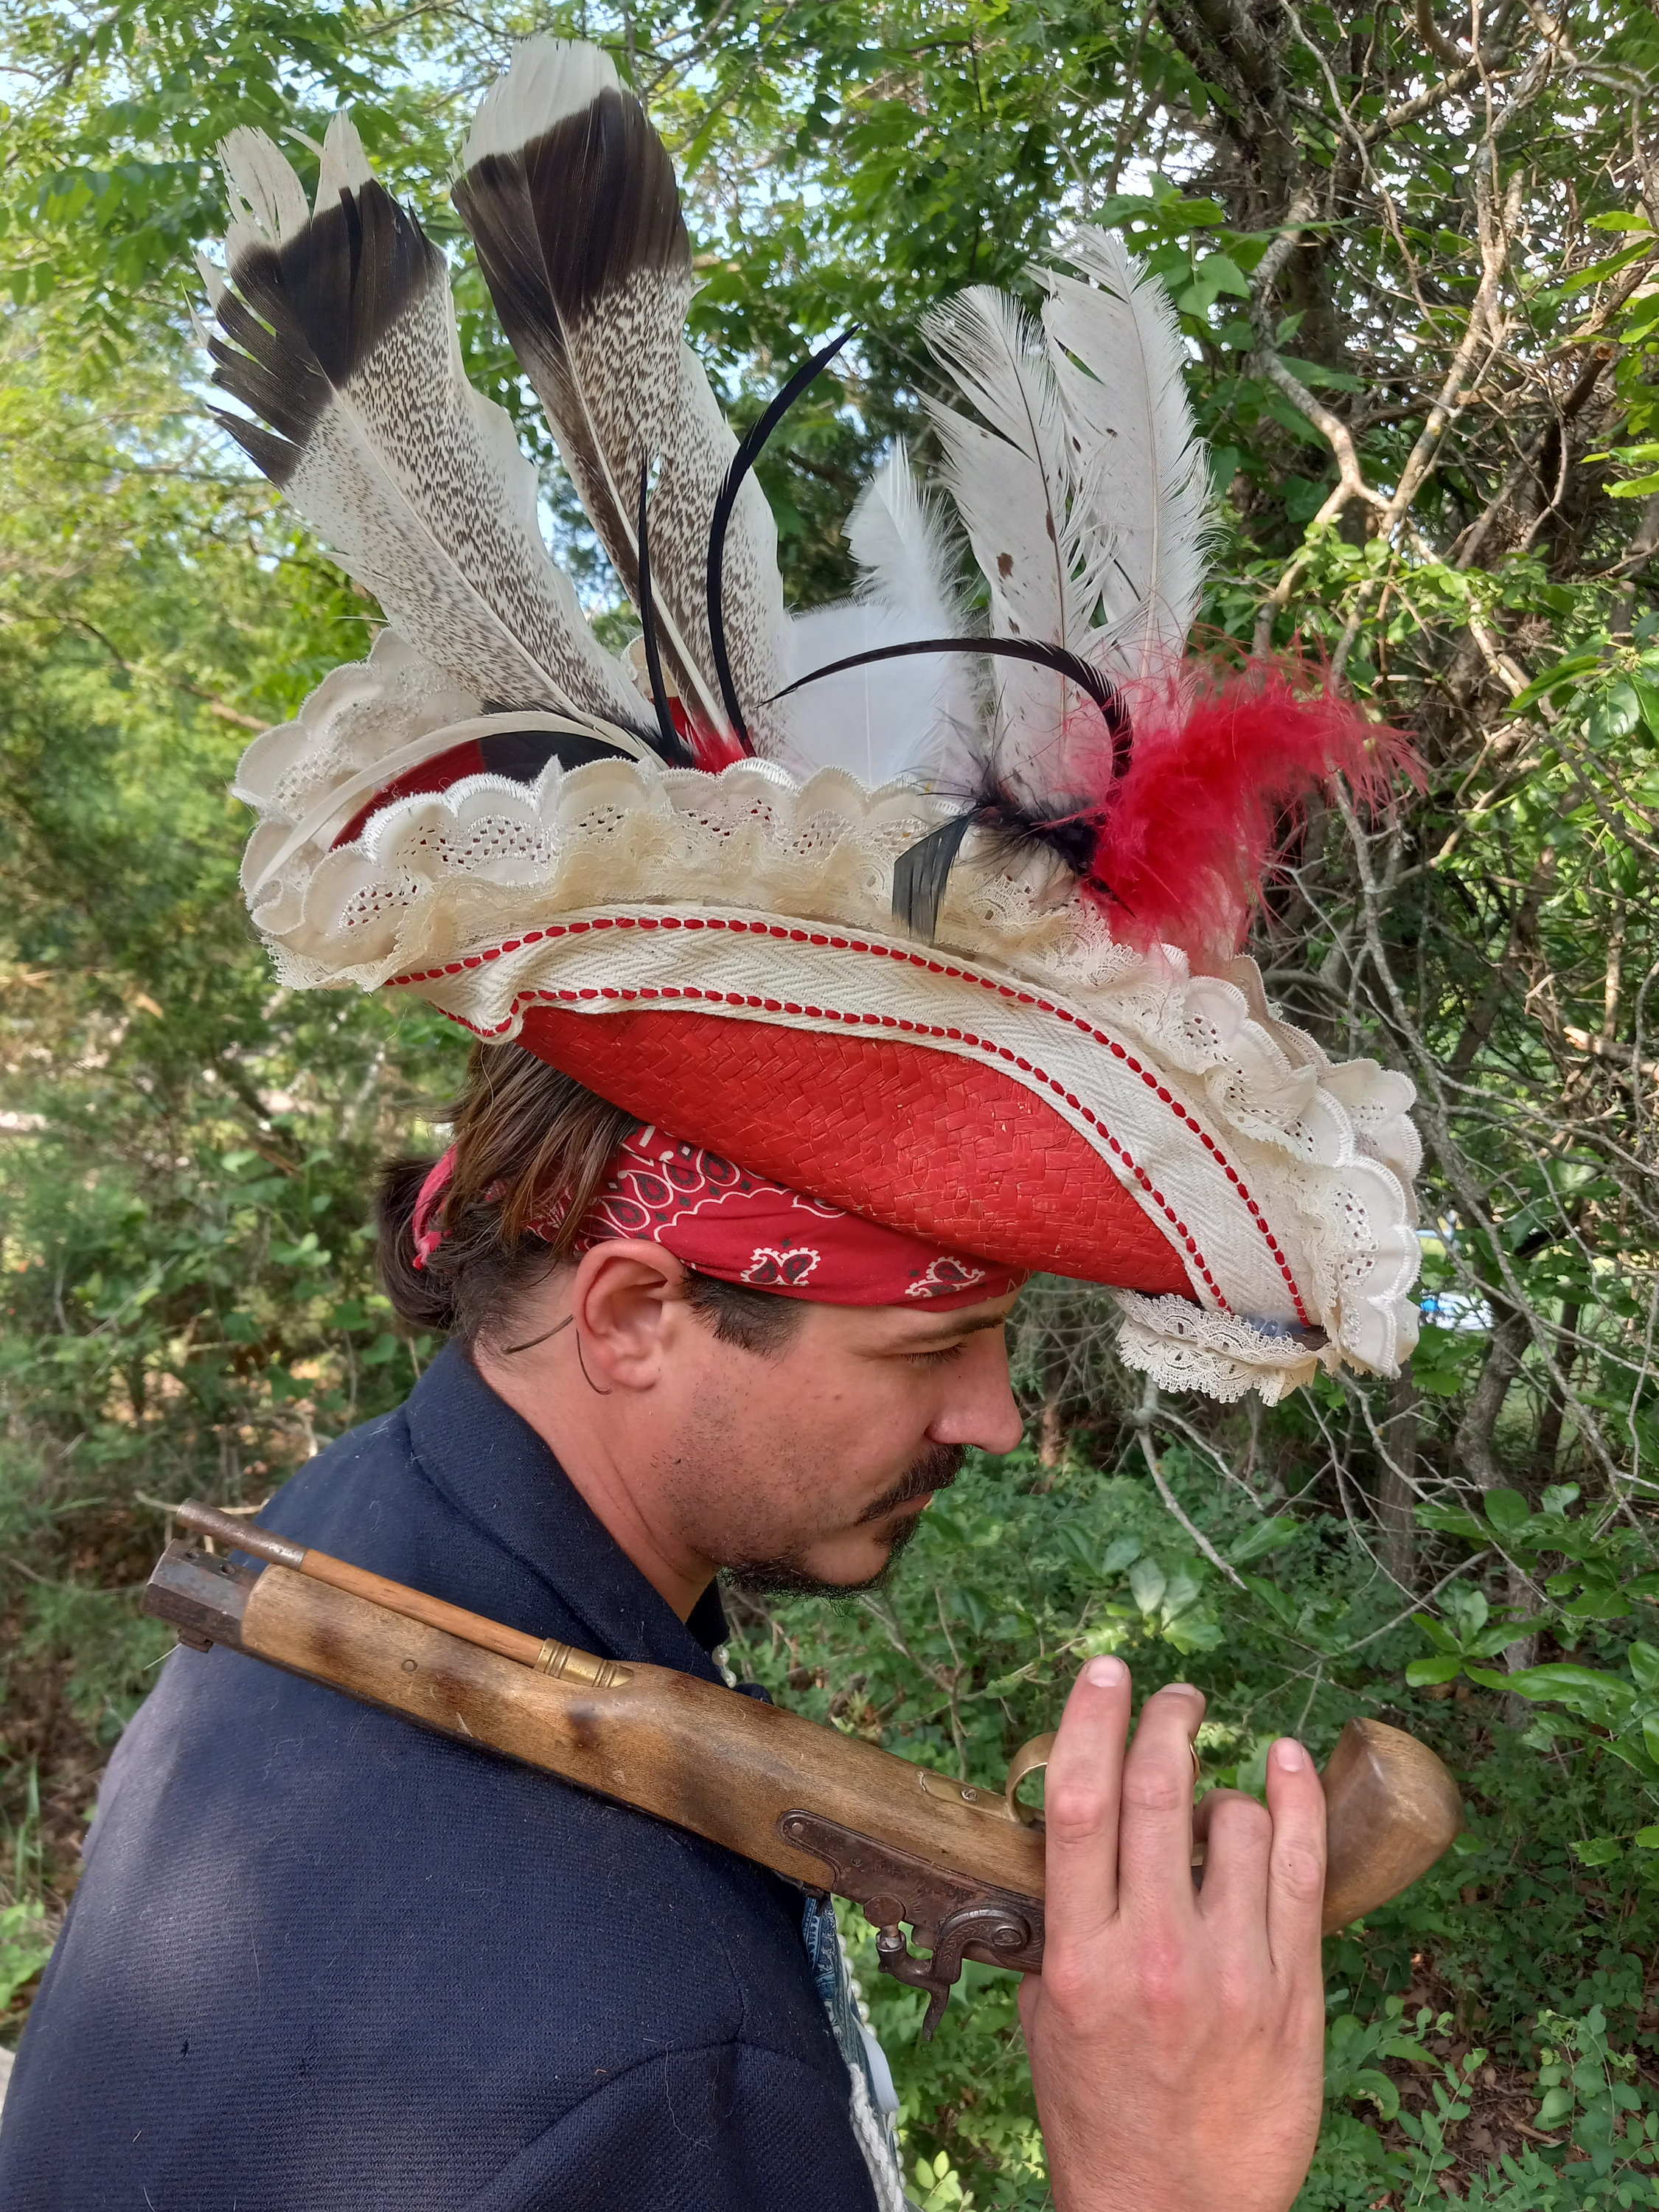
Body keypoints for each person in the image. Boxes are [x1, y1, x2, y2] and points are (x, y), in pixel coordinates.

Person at [0, 35, 1421, 2211]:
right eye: (933, 1345)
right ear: (644, 1306)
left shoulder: (352, 1539)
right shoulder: (659, 2070)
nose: (994, 1425)